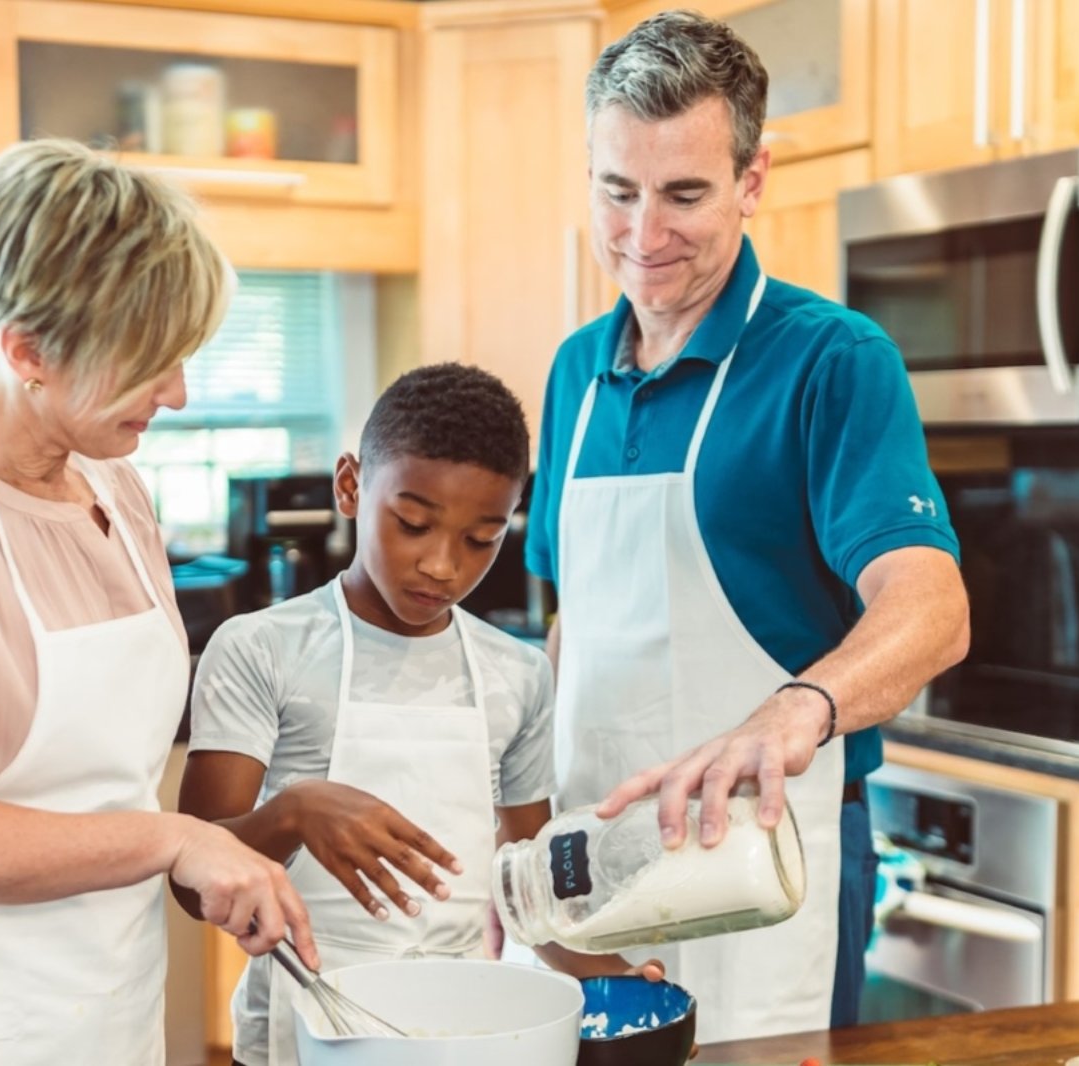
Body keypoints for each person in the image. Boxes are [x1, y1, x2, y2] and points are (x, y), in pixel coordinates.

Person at [0, 139, 315, 1065]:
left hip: (105, 1004)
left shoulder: (116, 490)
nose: (179, 394)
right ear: (27, 350)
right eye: (150, 362)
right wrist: (173, 839)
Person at [526, 11, 970, 1042]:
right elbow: (573, 625)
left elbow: (933, 607)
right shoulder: (573, 372)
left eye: (683, 195)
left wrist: (794, 710)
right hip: (598, 862)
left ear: (752, 178)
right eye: (616, 191)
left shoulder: (831, 361)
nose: (643, 236)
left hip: (768, 862)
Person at [176, 364, 652, 1066]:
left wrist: (607, 973)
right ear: (350, 486)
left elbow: (527, 891)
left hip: (463, 1028)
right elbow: (192, 882)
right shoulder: (262, 648)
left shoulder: (517, 673)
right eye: (413, 524)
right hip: (307, 1024)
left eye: (481, 539)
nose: (442, 566)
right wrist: (294, 813)